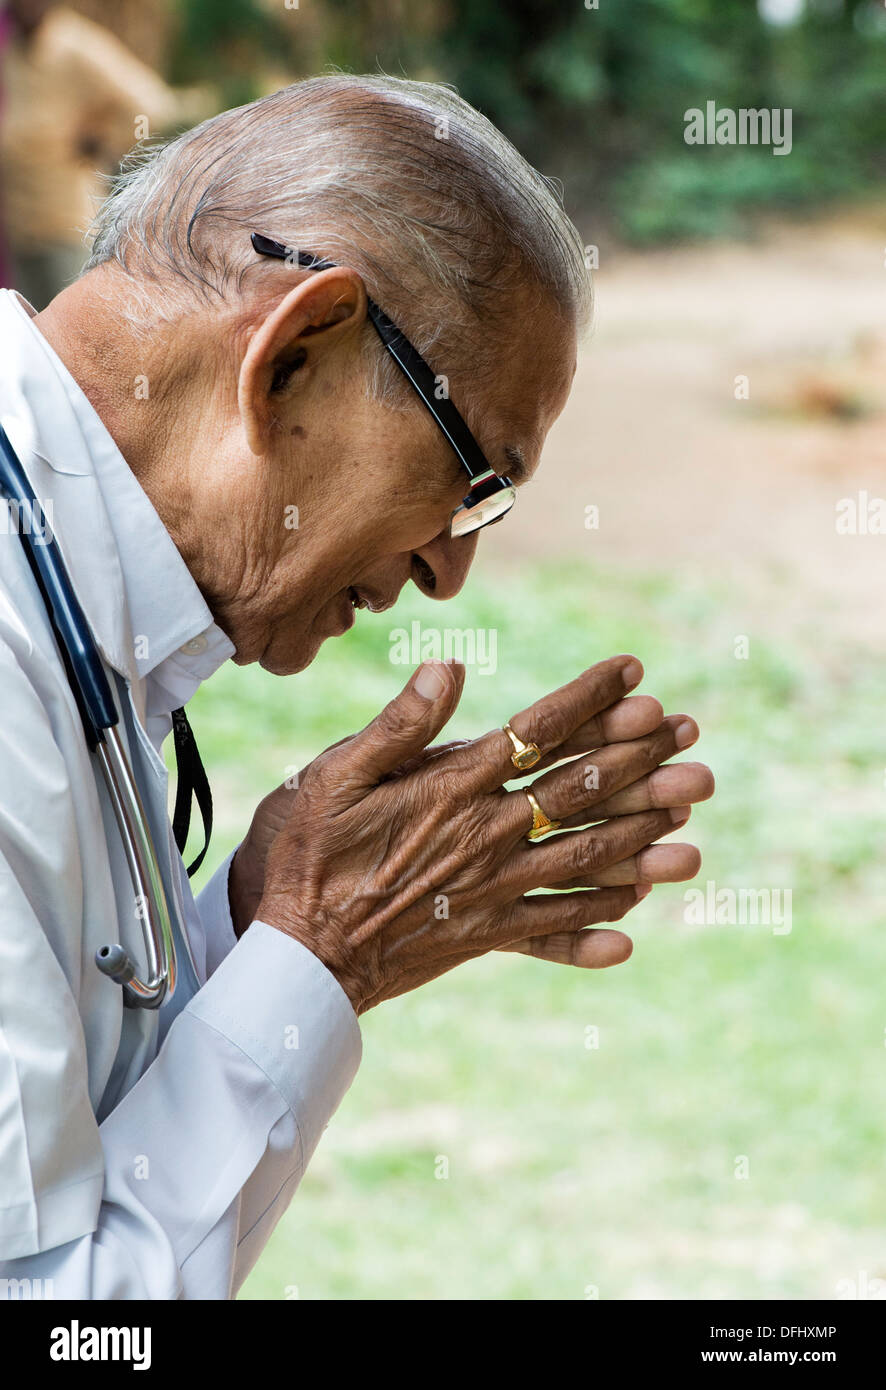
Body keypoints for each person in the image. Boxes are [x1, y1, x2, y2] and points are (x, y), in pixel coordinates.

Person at [0, 75, 714, 1299]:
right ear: (295, 355)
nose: (451, 568)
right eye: (475, 477)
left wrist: (260, 928)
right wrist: (323, 952)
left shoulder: (70, 588)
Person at [0, 0, 208, 307]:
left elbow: (152, 103)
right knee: (30, 333)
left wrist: (104, 139)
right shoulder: (13, 51)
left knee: (66, 330)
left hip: (63, 223)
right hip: (20, 226)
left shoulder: (76, 45)